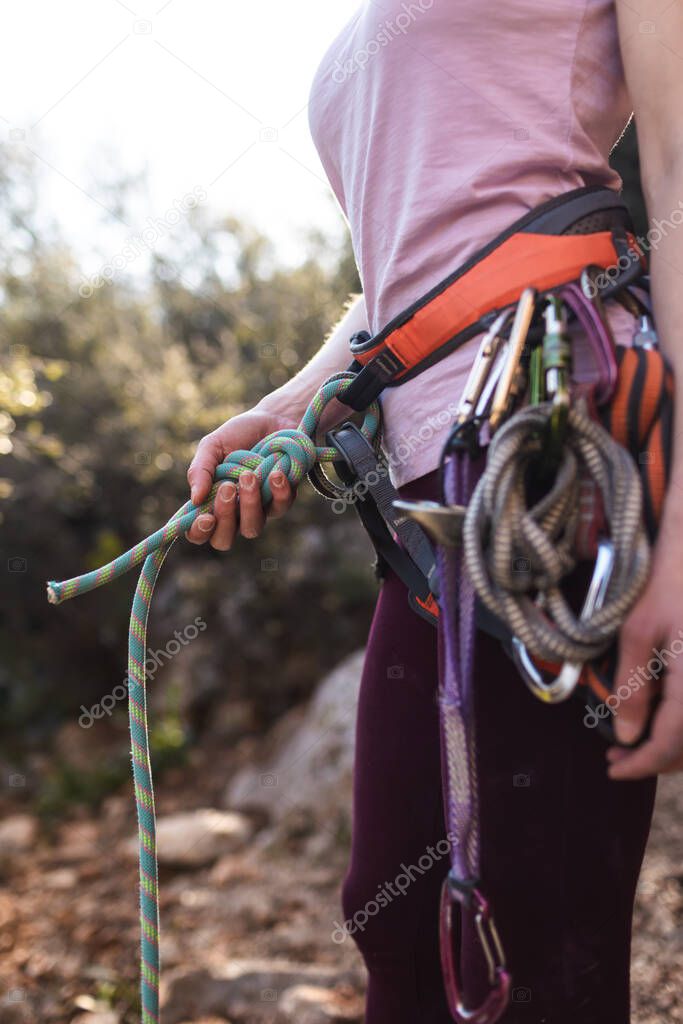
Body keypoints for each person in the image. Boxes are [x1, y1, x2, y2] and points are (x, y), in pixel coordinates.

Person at [186, 3, 683, 1020]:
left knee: (539, 935)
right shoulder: (360, 31)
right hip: (430, 487)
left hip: (552, 446)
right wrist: (292, 405)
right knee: (396, 917)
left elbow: (675, 171)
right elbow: (401, 277)